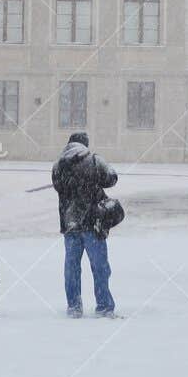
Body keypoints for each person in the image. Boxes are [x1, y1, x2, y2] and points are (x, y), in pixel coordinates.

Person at [51, 131, 120, 317]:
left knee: (72, 268)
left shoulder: (58, 166)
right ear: (85, 145)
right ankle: (104, 306)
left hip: (70, 225)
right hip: (93, 224)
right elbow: (111, 179)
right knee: (100, 267)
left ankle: (74, 307)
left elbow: (58, 186)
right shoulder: (94, 160)